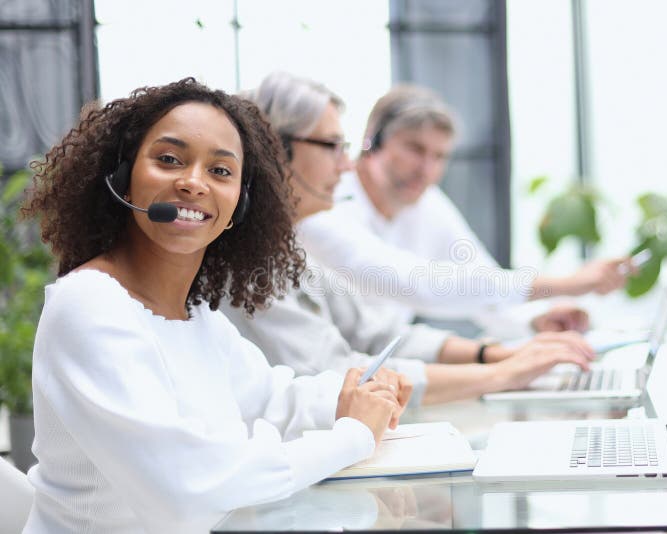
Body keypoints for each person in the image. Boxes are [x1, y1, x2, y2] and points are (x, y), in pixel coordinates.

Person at [20, 78, 411, 534]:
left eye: (221, 171)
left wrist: (358, 392)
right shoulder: (90, 305)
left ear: (240, 204)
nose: (193, 183)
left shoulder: (196, 316)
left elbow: (272, 401)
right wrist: (353, 436)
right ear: (122, 176)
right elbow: (187, 491)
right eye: (169, 160)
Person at [221, 72, 594, 406]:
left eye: (439, 156)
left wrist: (496, 354)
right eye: (332, 145)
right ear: (275, 147)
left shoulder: (286, 242)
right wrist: (500, 373)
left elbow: (376, 333)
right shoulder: (265, 250)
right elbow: (334, 371)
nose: (345, 163)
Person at [296, 84, 631, 328]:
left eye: (440, 156)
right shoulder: (324, 202)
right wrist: (567, 283)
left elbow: (478, 275)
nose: (426, 169)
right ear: (373, 140)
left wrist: (535, 320)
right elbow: (417, 283)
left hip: (390, 372)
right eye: (415, 149)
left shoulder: (427, 203)